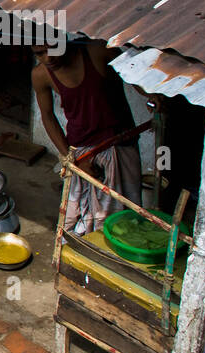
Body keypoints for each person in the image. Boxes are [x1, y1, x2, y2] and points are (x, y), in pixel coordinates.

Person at [32, 38, 141, 234]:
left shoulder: (97, 51)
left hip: (120, 142)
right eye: (40, 53)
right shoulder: (40, 75)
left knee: (126, 211)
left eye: (52, 49)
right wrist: (72, 159)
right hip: (81, 149)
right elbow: (48, 117)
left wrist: (151, 97)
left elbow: (134, 73)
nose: (48, 58)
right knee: (81, 216)